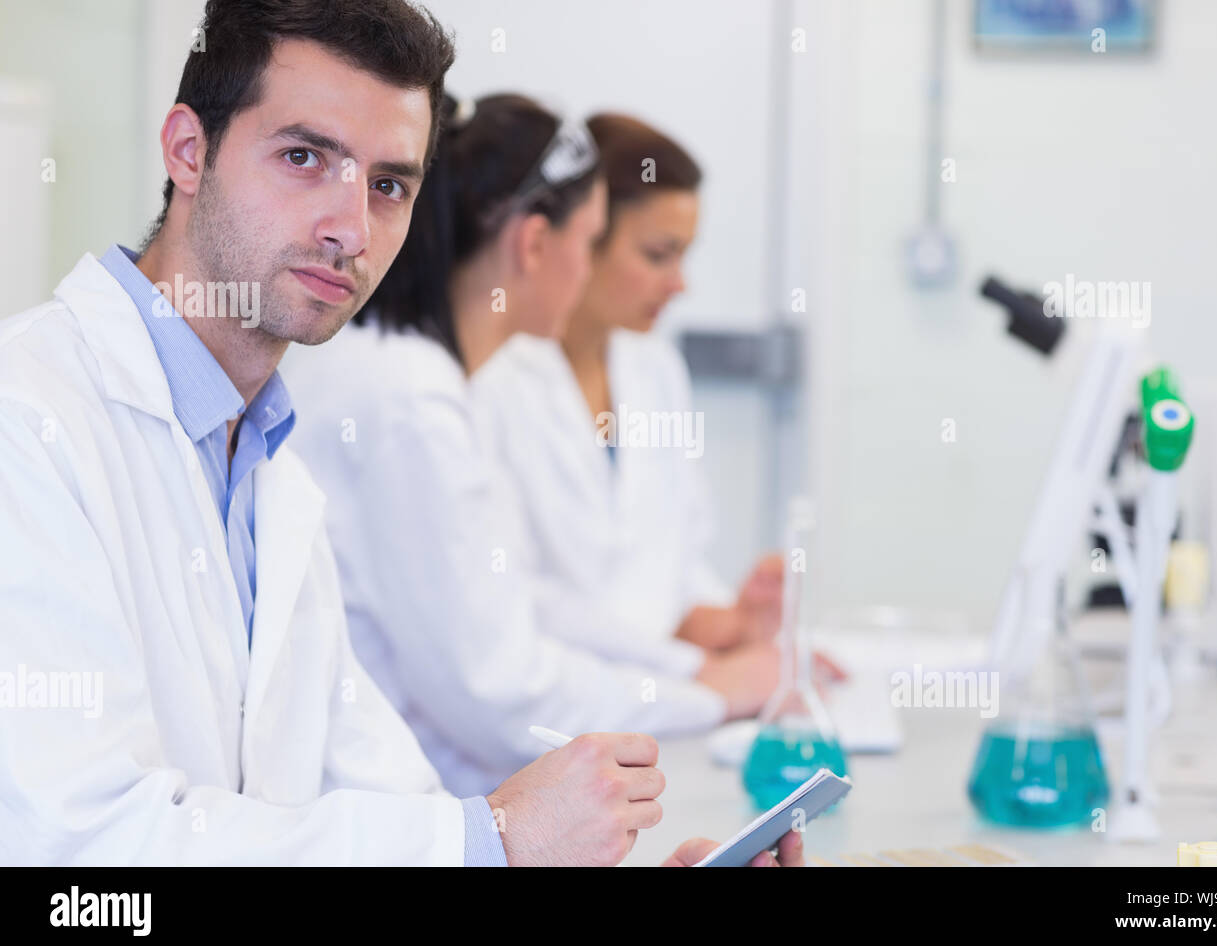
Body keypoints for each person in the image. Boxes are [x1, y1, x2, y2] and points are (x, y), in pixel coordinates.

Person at [0, 0, 793, 868]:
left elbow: (390, 803)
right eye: (303, 157)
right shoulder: (29, 419)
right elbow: (79, 851)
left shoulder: (269, 469)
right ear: (188, 151)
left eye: (388, 186)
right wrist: (495, 835)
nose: (350, 229)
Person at [281, 94, 780, 799]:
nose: (586, 273)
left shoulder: (422, 378)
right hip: (395, 807)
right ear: (535, 244)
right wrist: (708, 694)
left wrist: (697, 673)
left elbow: (513, 610)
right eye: (590, 239)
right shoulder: (412, 404)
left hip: (434, 790)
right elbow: (501, 689)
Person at [473, 114, 791, 663]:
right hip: (549, 718)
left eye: (684, 255)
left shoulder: (656, 367)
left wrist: (731, 623)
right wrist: (697, 673)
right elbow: (515, 598)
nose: (680, 283)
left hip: (655, 701)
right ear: (587, 236)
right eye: (657, 255)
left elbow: (673, 569)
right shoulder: (493, 376)